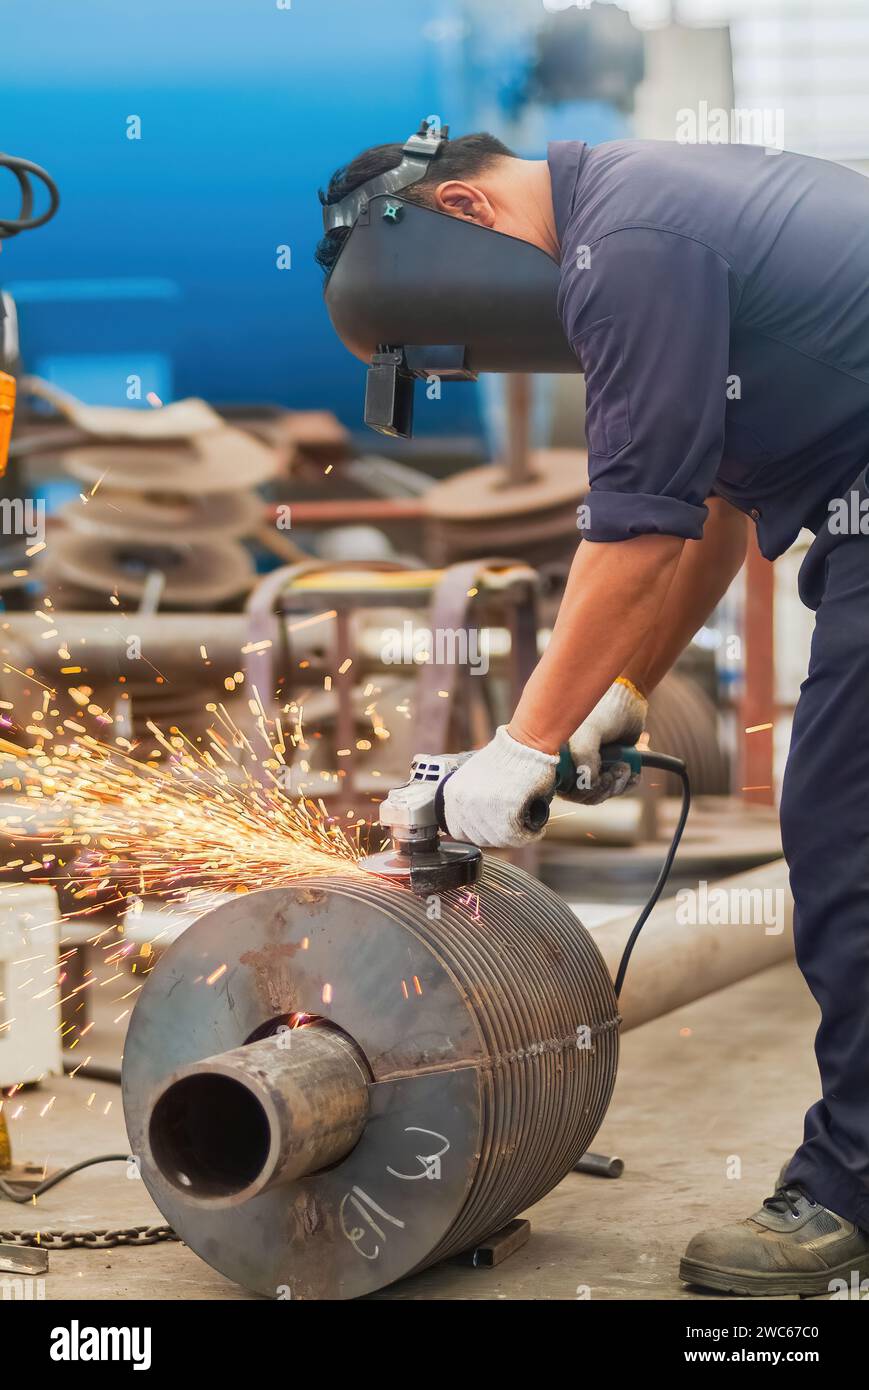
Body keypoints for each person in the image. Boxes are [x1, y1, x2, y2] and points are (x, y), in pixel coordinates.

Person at [317, 132, 869, 1297]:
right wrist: (616, 693)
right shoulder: (649, 202)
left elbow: (634, 530)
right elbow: (711, 500)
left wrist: (518, 743)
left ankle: (850, 1188)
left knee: (848, 845)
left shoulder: (622, 243)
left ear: (462, 204)